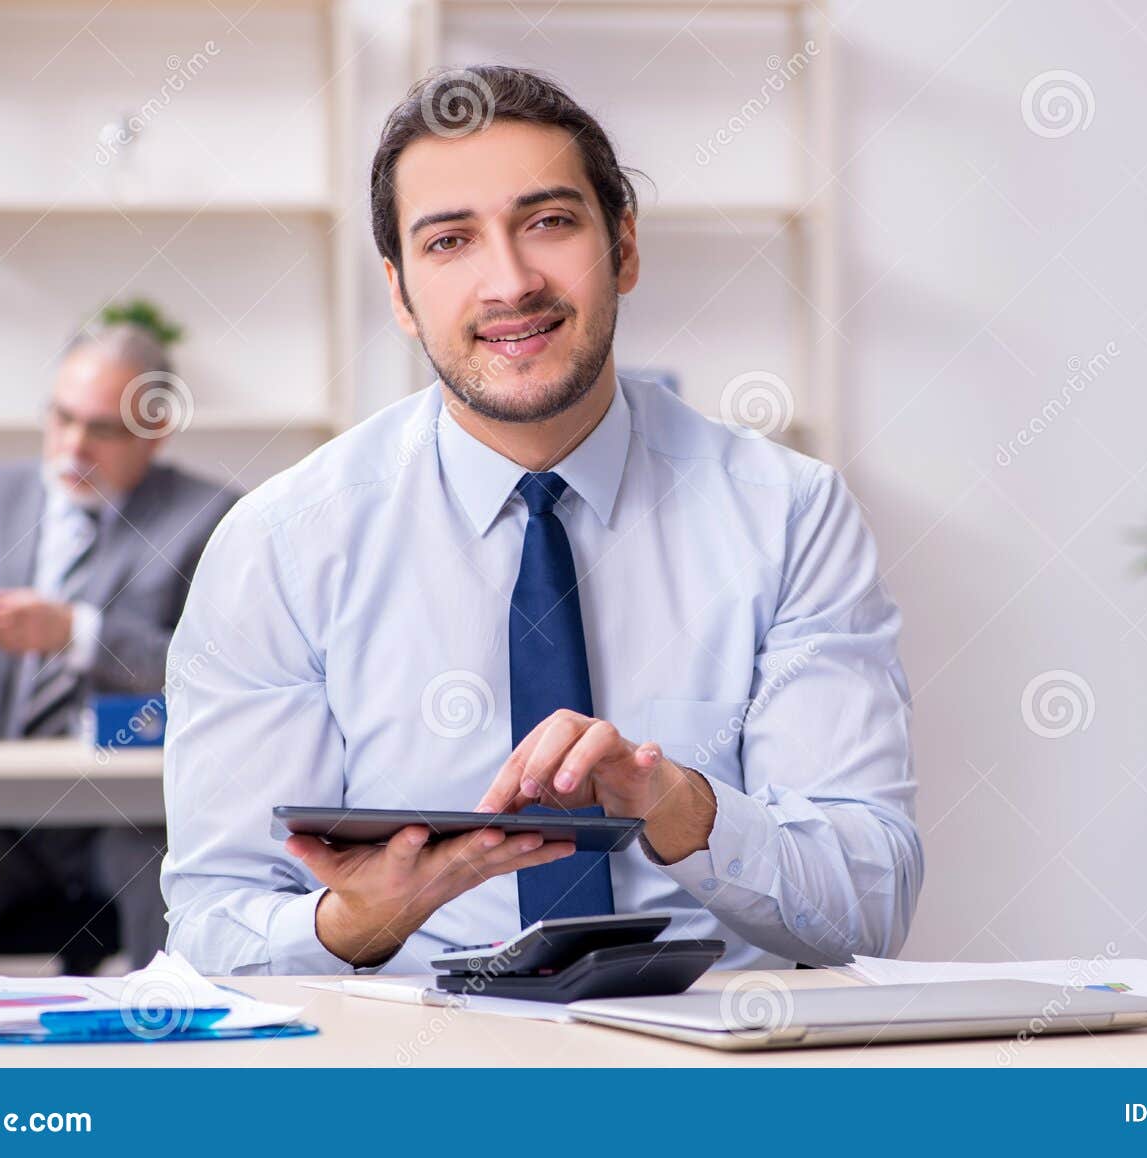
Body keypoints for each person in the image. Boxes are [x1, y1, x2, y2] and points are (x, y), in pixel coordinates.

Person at [162, 65, 921, 976]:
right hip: (416, 1067)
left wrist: (683, 808)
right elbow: (212, 926)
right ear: (401, 295)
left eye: (550, 223)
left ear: (624, 248)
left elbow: (869, 905)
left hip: (707, 1066)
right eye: (450, 242)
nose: (510, 281)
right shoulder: (282, 541)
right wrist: (356, 923)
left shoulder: (789, 514)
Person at [0, 321, 241, 971]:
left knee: (175, 911)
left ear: (156, 430)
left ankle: (168, 1061)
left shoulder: (209, 516)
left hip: (131, 819)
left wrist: (79, 635)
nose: (75, 445)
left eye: (104, 429)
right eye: (63, 418)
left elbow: (219, 676)